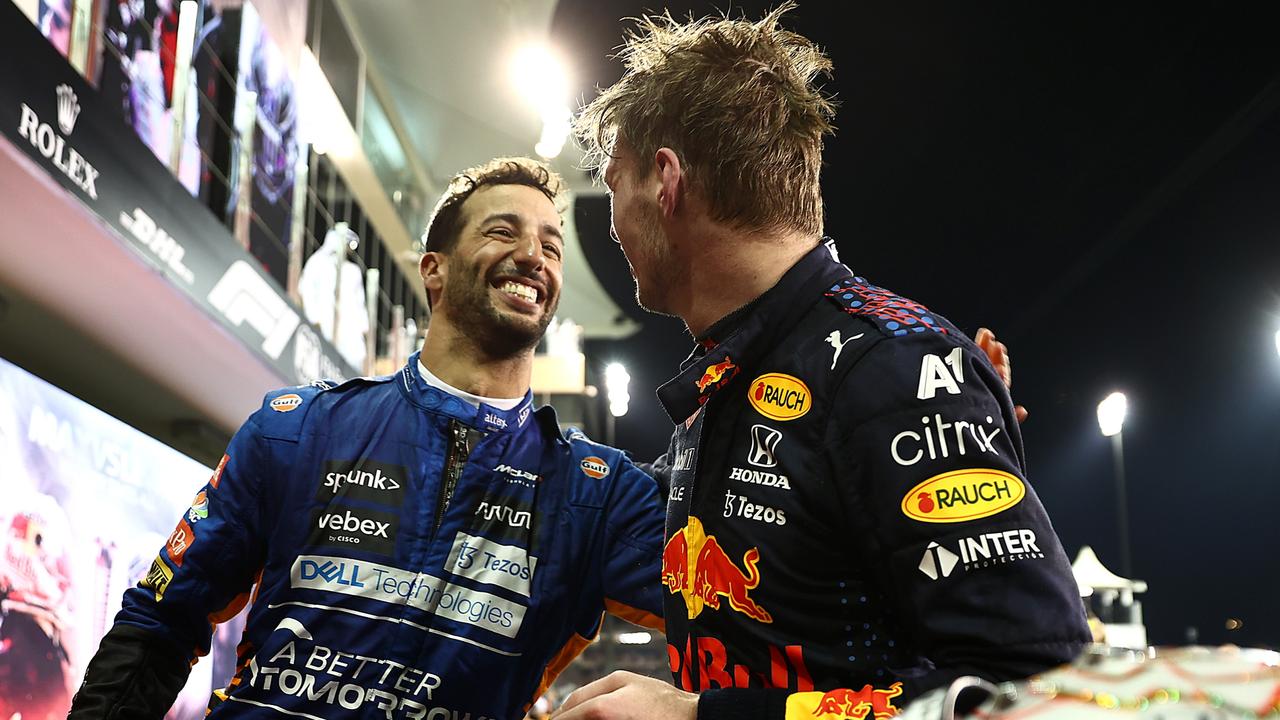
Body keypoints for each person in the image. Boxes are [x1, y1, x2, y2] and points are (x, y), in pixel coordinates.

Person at [558, 5, 1090, 719]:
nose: (612, 221)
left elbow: (1036, 692)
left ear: (666, 181)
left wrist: (697, 717)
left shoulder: (895, 368)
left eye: (613, 183)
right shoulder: (736, 374)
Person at [66, 157, 666, 720]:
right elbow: (159, 623)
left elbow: (745, 597)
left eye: (551, 245)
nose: (534, 256)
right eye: (503, 232)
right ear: (435, 269)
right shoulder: (297, 427)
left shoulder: (597, 494)